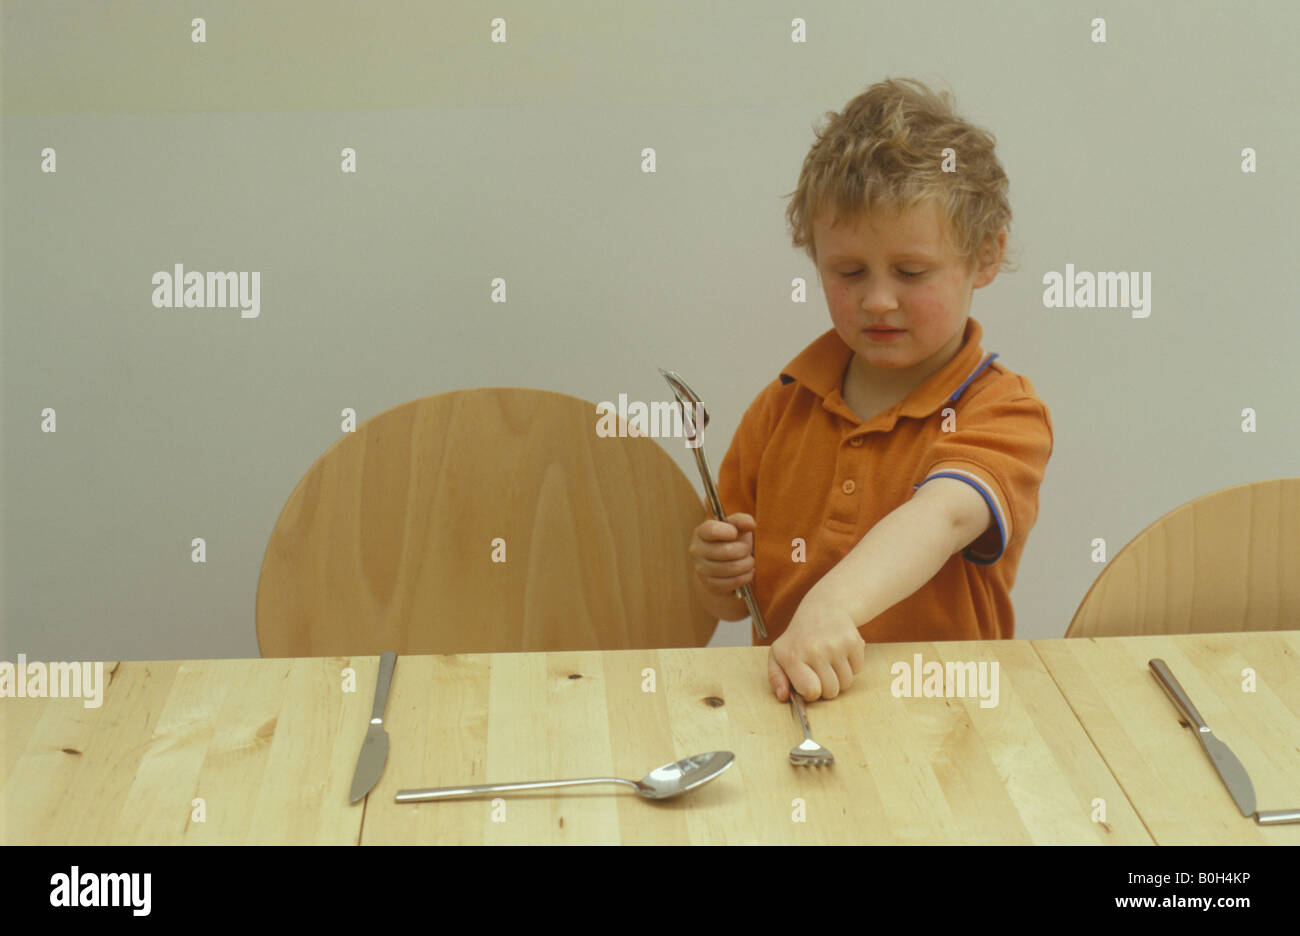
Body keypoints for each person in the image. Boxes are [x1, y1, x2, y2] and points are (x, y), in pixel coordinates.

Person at [690, 77, 1053, 703]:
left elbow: (941, 517)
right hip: (797, 708)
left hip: (948, 719)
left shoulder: (1005, 411)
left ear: (986, 257)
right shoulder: (782, 406)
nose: (878, 300)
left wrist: (831, 604)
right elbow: (730, 608)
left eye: (911, 272)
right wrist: (717, 575)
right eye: (848, 271)